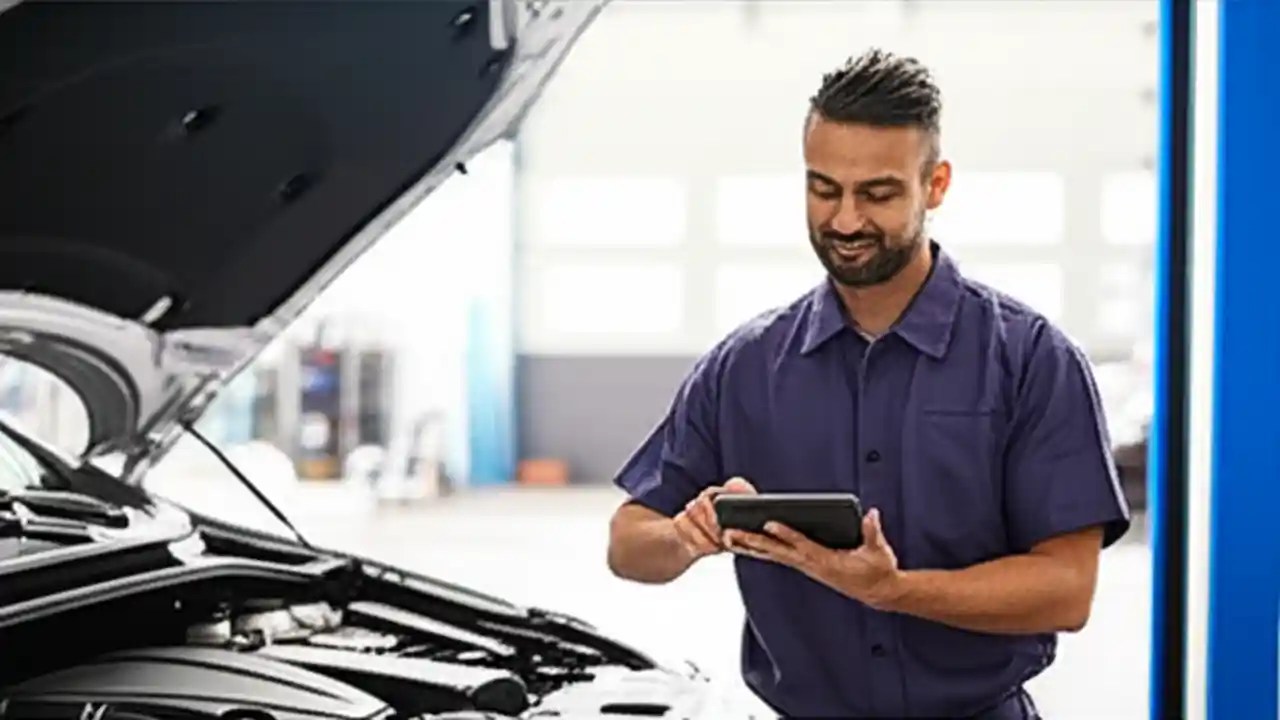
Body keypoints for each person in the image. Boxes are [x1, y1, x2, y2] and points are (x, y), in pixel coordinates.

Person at [605, 48, 1131, 720]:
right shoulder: (744, 366)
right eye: (824, 189)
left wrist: (896, 590)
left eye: (877, 194)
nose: (846, 221)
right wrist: (684, 536)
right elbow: (628, 542)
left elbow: (1067, 588)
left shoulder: (1031, 359)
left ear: (935, 185)